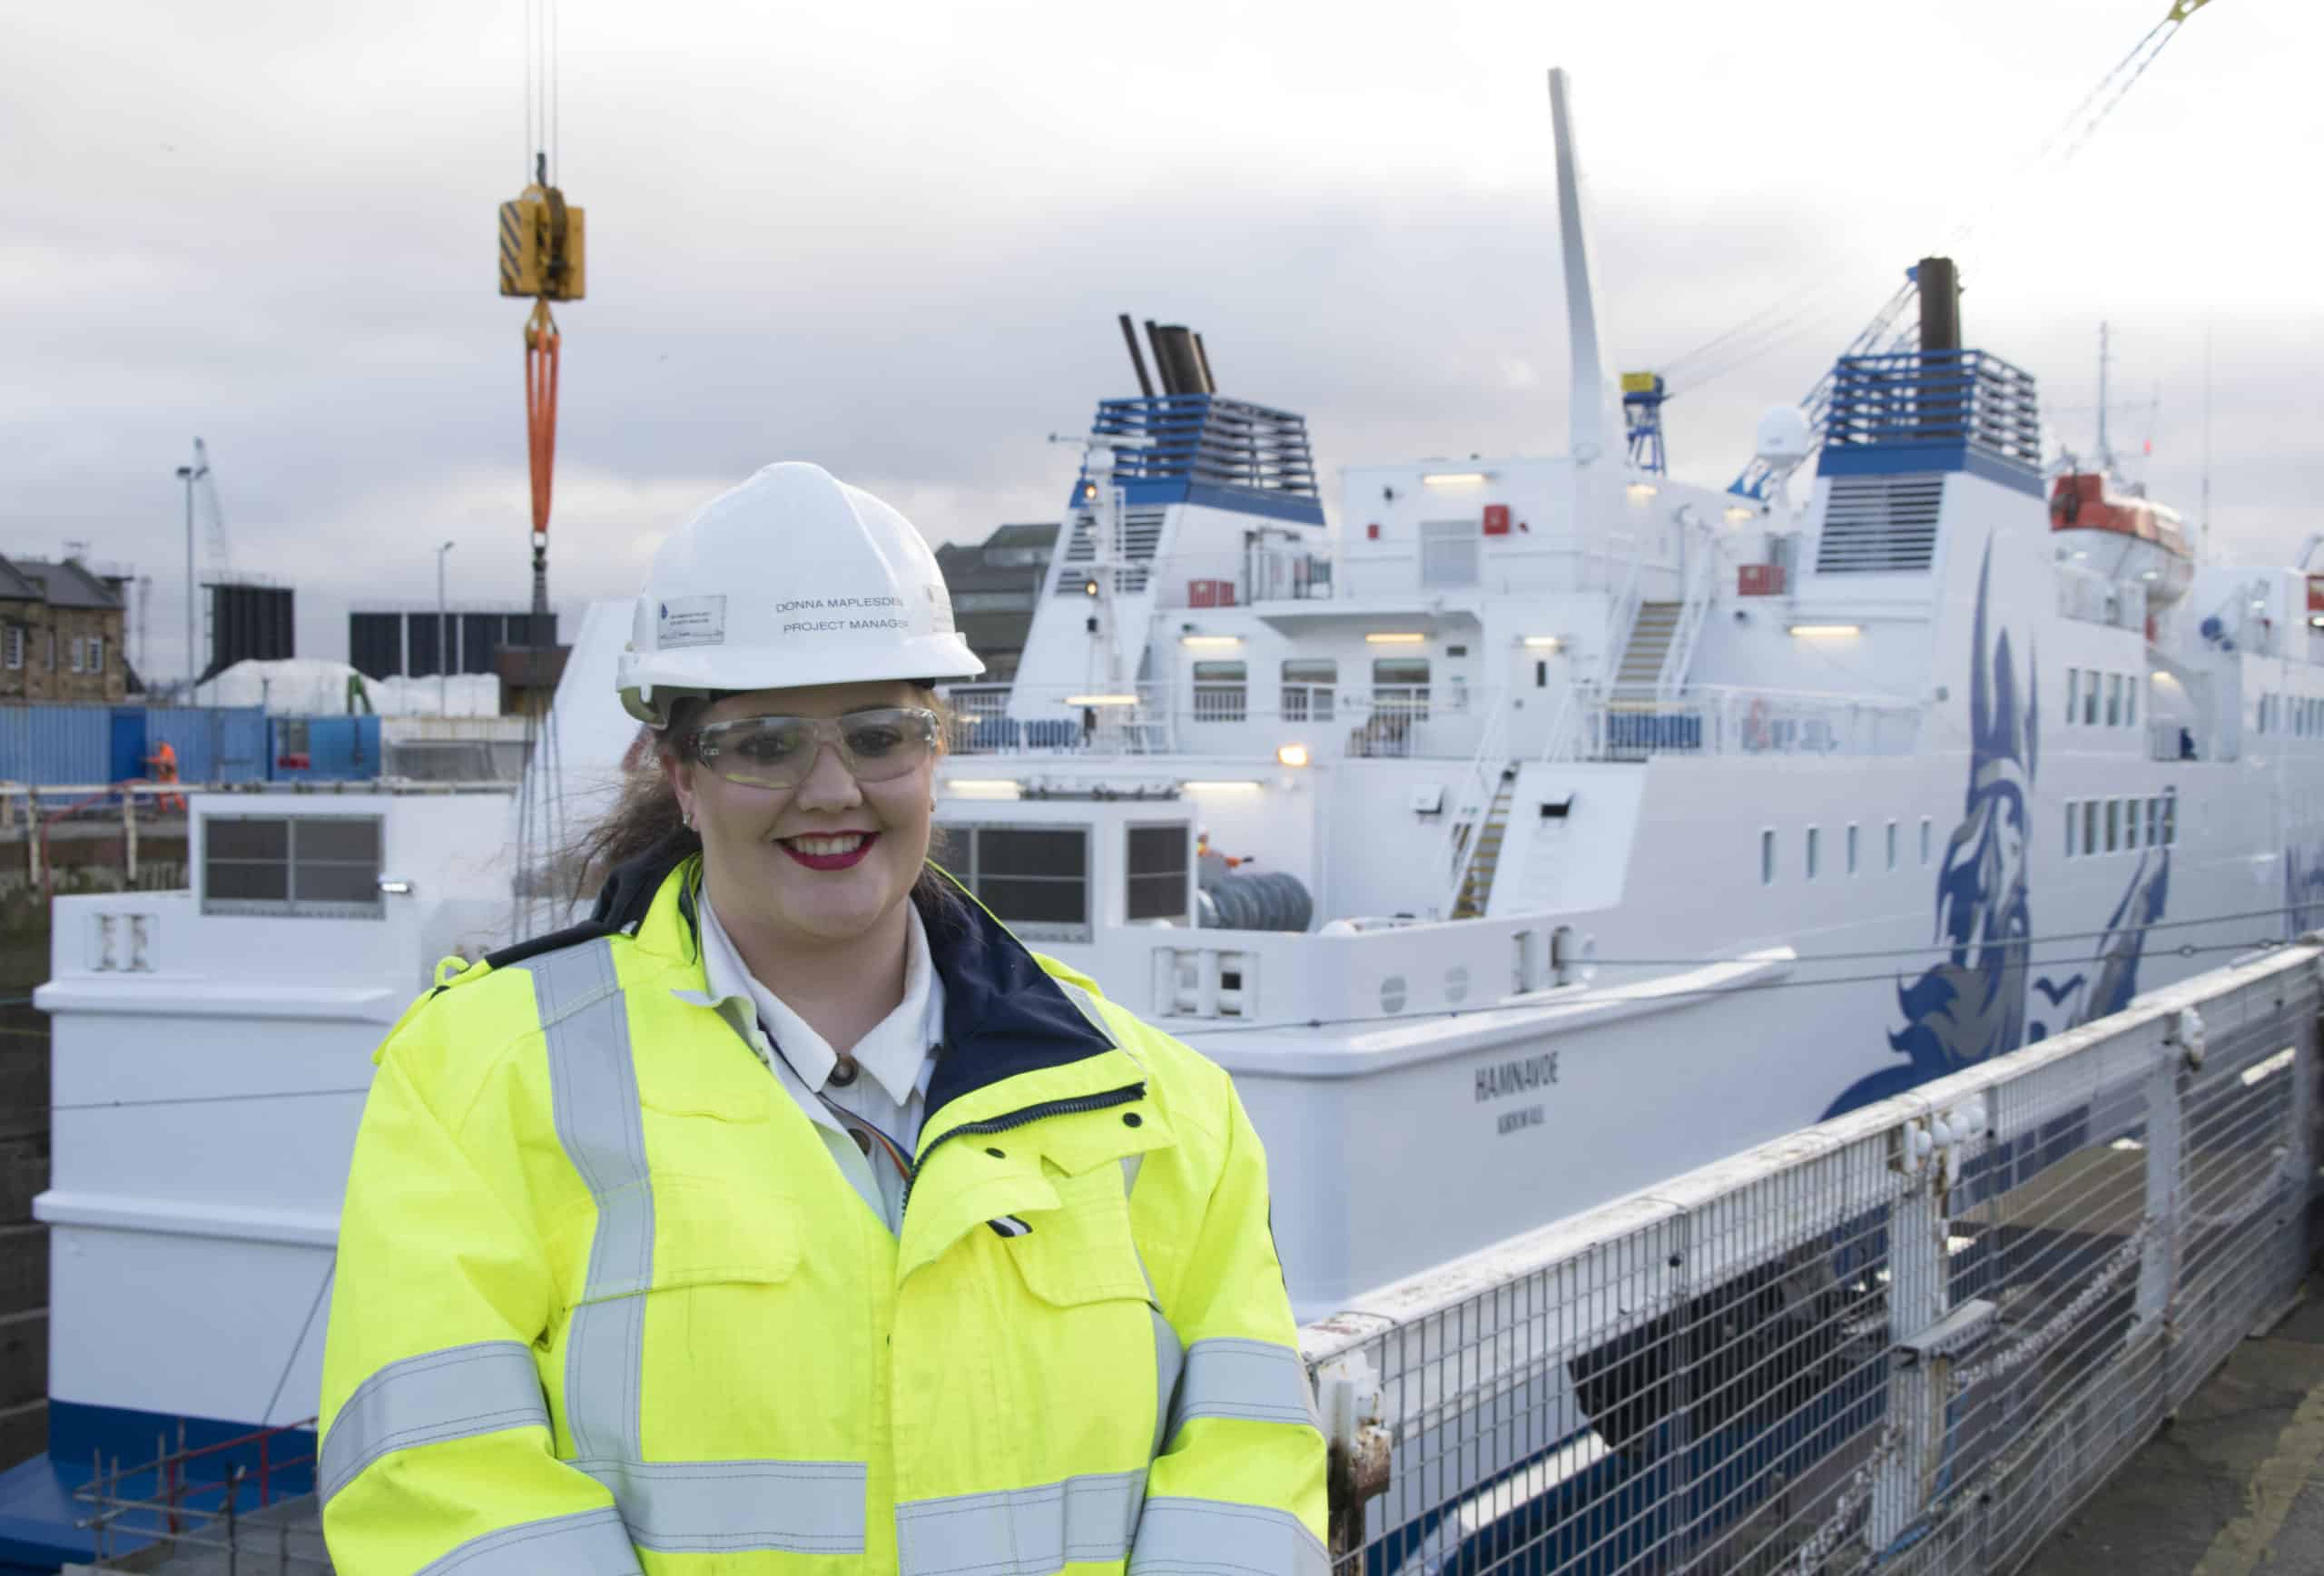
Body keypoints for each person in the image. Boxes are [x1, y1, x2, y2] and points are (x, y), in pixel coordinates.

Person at [319, 462, 1327, 1575]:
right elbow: (443, 1486)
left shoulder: (1162, 1109)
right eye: (764, 744)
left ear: (935, 750)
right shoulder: (480, 1077)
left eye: (879, 733)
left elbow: (1245, 1467)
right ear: (681, 775)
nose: (834, 789)